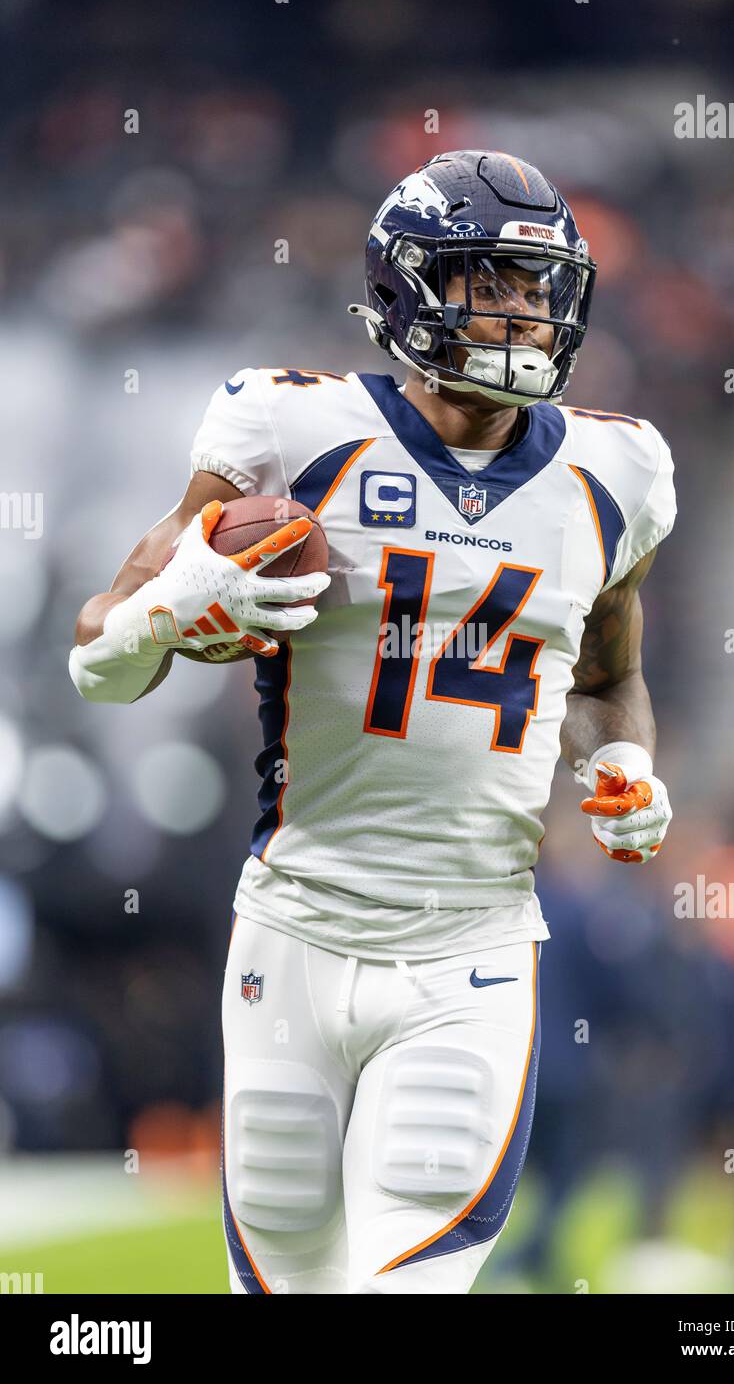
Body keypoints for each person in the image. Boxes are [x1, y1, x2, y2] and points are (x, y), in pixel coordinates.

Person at [69, 150, 676, 1294]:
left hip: (471, 948)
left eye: (541, 288)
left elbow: (604, 673)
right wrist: (165, 610)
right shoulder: (289, 430)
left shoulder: (614, 468)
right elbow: (95, 658)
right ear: (410, 290)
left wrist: (627, 762)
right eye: (493, 281)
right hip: (293, 928)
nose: (527, 314)